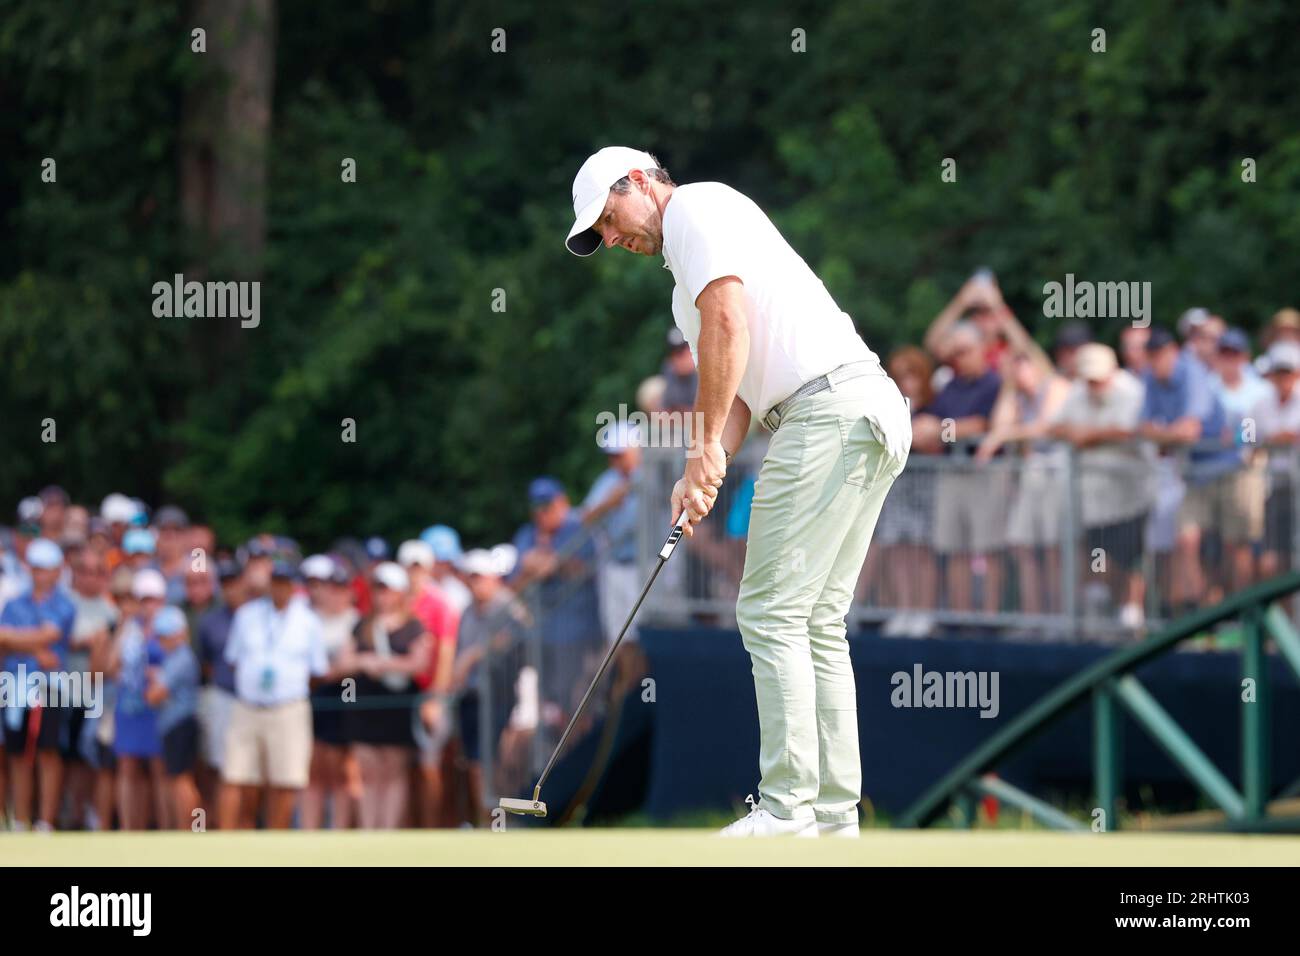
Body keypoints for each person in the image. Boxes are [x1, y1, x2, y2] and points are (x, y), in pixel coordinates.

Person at [565, 145, 910, 836]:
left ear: (639, 182)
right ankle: (834, 818)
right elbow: (742, 391)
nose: (612, 238)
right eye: (601, 234)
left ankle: (786, 808)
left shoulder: (697, 205)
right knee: (813, 622)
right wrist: (708, 471)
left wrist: (697, 450)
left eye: (609, 218)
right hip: (858, 410)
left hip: (830, 411)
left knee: (769, 611)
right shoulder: (682, 275)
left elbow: (729, 323)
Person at [1138, 328, 1239, 614]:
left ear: (1173, 352)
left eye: (1160, 355)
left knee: (1232, 547)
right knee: (1186, 541)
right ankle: (1200, 615)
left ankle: (1240, 614)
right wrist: (1169, 436)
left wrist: (1163, 437)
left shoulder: (1192, 372)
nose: (1156, 362)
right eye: (1152, 356)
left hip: (1227, 470)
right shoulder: (1149, 377)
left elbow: (1189, 431)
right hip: (1193, 474)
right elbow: (1144, 428)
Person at [220, 559, 326, 829]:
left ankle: (275, 842)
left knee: (286, 779)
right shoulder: (247, 615)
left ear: (294, 586)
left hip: (288, 707)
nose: (281, 589)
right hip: (248, 706)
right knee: (237, 776)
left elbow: (317, 670)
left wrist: (287, 686)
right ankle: (229, 842)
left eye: (286, 583)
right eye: (276, 582)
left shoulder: (308, 621)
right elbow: (233, 659)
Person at [1052, 344, 1152, 631]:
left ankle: (1131, 614)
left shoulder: (1130, 391)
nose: (1094, 386)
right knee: (1096, 554)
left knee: (1129, 557)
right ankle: (1102, 615)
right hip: (1094, 499)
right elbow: (1057, 426)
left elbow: (1128, 430)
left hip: (1130, 494)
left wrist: (1087, 435)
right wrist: (1080, 434)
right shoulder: (1078, 391)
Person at [912, 322, 1005, 614]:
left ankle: (990, 619)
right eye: (954, 352)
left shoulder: (993, 383)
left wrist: (939, 430)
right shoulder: (951, 384)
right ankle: (961, 617)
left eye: (964, 351)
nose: (958, 358)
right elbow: (937, 425)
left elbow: (982, 423)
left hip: (986, 473)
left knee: (988, 548)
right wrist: (932, 431)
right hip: (953, 470)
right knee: (954, 548)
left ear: (981, 350)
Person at [977, 348, 1072, 616]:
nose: (1019, 372)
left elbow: (1046, 427)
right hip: (1033, 476)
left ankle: (1060, 617)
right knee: (1023, 546)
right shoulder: (1017, 395)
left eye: (1023, 365)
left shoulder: (1056, 386)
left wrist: (1003, 436)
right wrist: (1009, 389)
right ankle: (1034, 617)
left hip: (1059, 475)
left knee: (1055, 549)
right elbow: (999, 424)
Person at [340, 561, 429, 829]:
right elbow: (344, 663)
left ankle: (388, 831)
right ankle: (369, 829)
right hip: (366, 706)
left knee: (394, 771)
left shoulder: (413, 626)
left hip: (397, 707)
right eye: (378, 589)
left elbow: (420, 663)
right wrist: (365, 661)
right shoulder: (362, 625)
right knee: (368, 771)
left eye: (388, 590)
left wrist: (383, 664)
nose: (383, 596)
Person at [510, 477, 603, 726]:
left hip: (578, 637)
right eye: (537, 507)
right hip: (539, 637)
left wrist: (548, 562)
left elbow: (582, 569)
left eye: (547, 505)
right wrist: (540, 566)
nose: (542, 513)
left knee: (575, 707)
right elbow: (513, 584)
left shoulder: (578, 529)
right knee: (545, 712)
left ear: (562, 502)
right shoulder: (527, 533)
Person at [449, 548, 532, 827]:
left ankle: (503, 819)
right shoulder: (467, 611)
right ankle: (486, 820)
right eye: (470, 577)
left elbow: (511, 641)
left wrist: (472, 656)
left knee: (498, 759)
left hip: (502, 693)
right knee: (474, 761)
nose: (474, 584)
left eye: (479, 577)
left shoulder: (508, 606)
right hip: (471, 696)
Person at [0, 538, 76, 831]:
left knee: (48, 751)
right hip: (16, 684)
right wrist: (34, 646)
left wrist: (17, 639)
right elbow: (5, 638)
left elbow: (50, 635)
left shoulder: (64, 603)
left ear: (57, 571)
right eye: (36, 568)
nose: (40, 574)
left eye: (46, 568)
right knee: (18, 753)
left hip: (50, 687)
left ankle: (45, 821)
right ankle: (20, 820)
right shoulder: (14, 602)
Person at [873, 347, 938, 637]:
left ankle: (923, 611)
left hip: (923, 487)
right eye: (901, 377)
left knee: (920, 549)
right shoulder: (889, 404)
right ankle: (904, 608)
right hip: (896, 485)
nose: (907, 383)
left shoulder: (936, 406)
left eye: (912, 376)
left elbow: (933, 443)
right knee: (898, 549)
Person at [397, 540, 459, 827]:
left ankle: (434, 829)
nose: (414, 574)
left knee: (430, 764)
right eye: (409, 568)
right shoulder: (397, 601)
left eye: (419, 568)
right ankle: (412, 826)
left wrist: (435, 698)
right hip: (401, 694)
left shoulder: (439, 602)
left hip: (430, 693)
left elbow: (446, 651)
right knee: (407, 767)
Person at [106, 568, 168, 830]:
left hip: (160, 707)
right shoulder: (128, 628)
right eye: (143, 599)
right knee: (128, 767)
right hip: (129, 706)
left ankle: (167, 830)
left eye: (153, 599)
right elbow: (109, 667)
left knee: (159, 770)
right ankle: (130, 829)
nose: (148, 605)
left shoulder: (170, 625)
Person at [301, 554, 359, 829]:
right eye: (330, 588)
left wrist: (327, 670)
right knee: (312, 769)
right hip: (314, 699)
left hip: (343, 701)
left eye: (341, 588)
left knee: (340, 771)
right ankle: (309, 830)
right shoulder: (310, 619)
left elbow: (344, 666)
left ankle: (338, 830)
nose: (335, 594)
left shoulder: (355, 621)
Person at [65, 549, 120, 829]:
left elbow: (112, 654)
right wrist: (85, 641)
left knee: (92, 759)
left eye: (97, 572)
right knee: (66, 759)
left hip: (95, 695)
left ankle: (91, 817)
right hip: (61, 692)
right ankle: (69, 815)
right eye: (85, 571)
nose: (90, 578)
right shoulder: (64, 602)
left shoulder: (111, 611)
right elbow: (59, 640)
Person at [583, 422, 644, 653]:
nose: (614, 461)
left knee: (641, 635)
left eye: (619, 454)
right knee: (618, 635)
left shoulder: (655, 474)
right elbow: (586, 516)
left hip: (647, 566)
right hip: (616, 566)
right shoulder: (608, 480)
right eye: (611, 456)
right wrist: (608, 504)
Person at [144, 605, 201, 829]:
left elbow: (154, 696)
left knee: (181, 780)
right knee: (178, 778)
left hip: (181, 724)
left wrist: (152, 684)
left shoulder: (181, 657)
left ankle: (190, 830)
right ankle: (186, 829)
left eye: (167, 635)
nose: (163, 641)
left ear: (181, 634)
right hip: (176, 724)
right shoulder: (175, 658)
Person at [195, 559, 244, 814]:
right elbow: (204, 663)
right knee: (218, 763)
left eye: (235, 582)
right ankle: (216, 819)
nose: (231, 589)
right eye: (226, 584)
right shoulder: (210, 621)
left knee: (249, 768)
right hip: (222, 695)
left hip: (254, 701)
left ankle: (248, 823)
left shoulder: (258, 615)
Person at [1251, 342, 1300, 580]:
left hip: (1297, 487)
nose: (1283, 379)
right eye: (1279, 373)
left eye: (1287, 372)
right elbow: (1245, 433)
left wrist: (1274, 439)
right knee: (1274, 559)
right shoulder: (1261, 404)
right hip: (1275, 488)